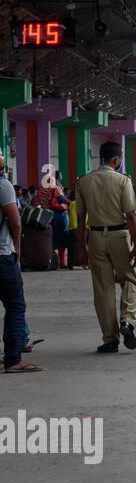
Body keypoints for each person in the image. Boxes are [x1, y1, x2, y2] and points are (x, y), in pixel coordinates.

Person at [76, 141, 136, 353]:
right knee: (130, 279)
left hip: (95, 238)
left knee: (103, 290)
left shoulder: (84, 182)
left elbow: (80, 217)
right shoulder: (123, 181)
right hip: (119, 236)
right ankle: (127, 321)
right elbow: (131, 215)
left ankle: (110, 339)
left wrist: (82, 248)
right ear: (116, 160)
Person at [0, 154, 40, 373]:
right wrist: (18, 248)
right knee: (15, 306)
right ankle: (13, 359)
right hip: (3, 255)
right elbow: (15, 222)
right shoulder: (3, 185)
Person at [35, 169, 71, 269]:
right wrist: (72, 203)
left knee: (49, 239)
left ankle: (49, 262)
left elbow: (35, 203)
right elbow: (61, 199)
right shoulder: (55, 187)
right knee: (62, 238)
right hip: (57, 215)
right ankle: (62, 263)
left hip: (45, 216)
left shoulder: (40, 190)